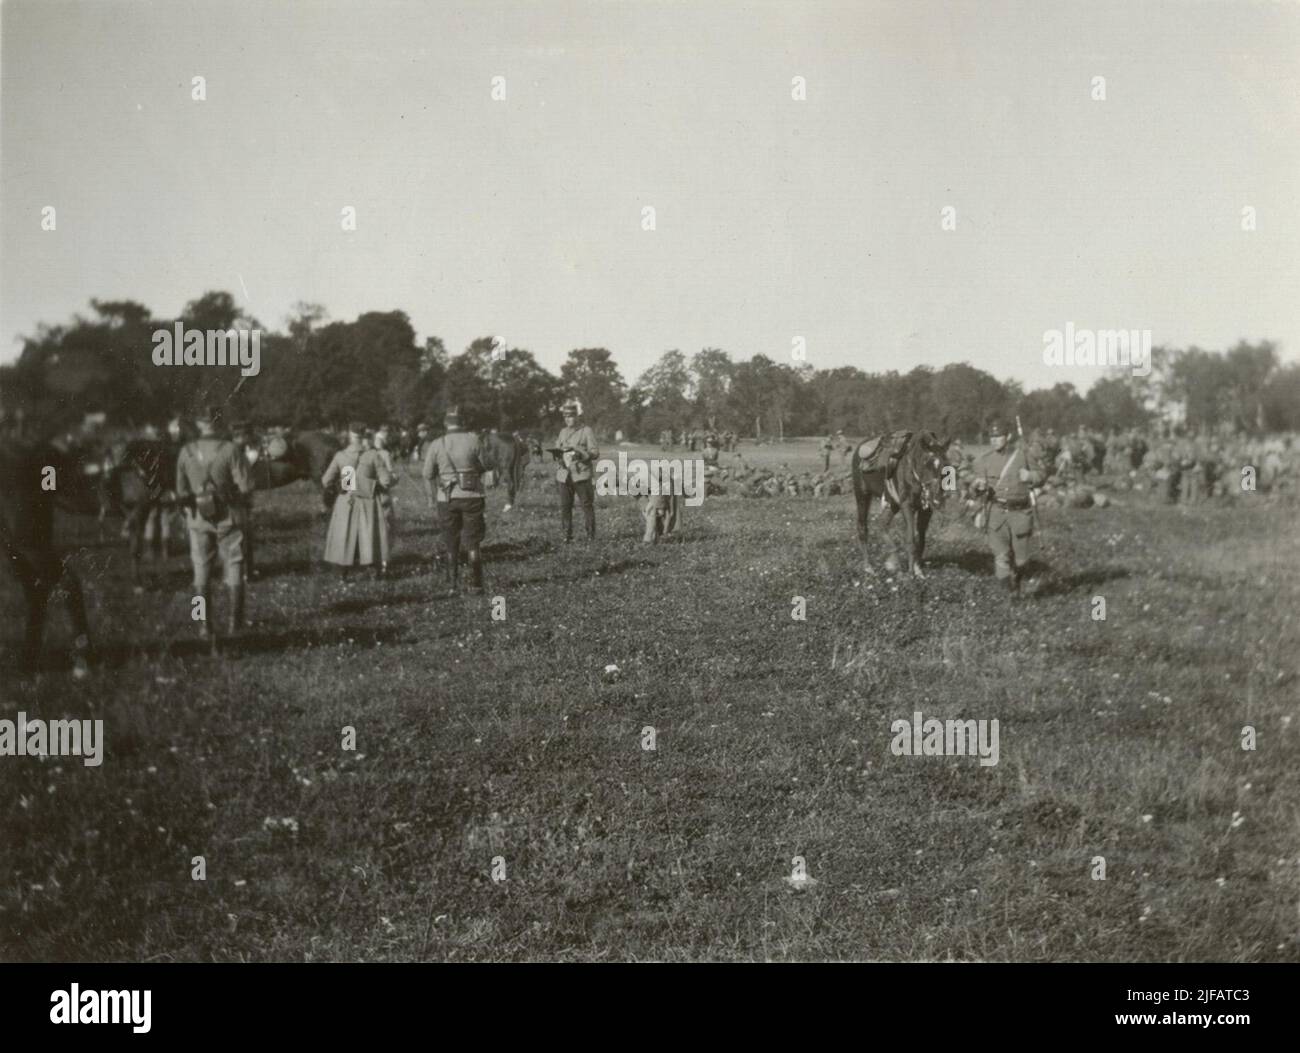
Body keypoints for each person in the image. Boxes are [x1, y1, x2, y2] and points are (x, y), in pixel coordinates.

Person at [175, 405, 254, 639]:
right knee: (235, 569)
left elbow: (181, 492)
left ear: (199, 424)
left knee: (200, 572)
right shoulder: (230, 450)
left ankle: (202, 625)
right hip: (228, 517)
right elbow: (247, 487)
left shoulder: (185, 451)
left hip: (198, 519)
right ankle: (234, 625)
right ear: (218, 422)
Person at [970, 420, 1045, 596]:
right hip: (996, 514)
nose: (994, 440)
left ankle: (1016, 582)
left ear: (1008, 437)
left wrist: (1030, 475)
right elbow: (973, 490)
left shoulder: (1023, 455)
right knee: (1001, 557)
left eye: (999, 436)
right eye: (992, 437)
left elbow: (1042, 474)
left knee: (1022, 561)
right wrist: (977, 486)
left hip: (1020, 514)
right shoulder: (984, 461)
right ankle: (1011, 593)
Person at [422, 406, 487, 591]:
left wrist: (430, 498)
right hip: (472, 496)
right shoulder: (474, 440)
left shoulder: (437, 444)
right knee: (473, 542)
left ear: (445, 424)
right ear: (463, 422)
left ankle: (452, 584)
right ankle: (476, 585)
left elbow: (427, 474)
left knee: (451, 542)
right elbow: (485, 465)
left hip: (446, 498)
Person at [321, 422, 393, 578]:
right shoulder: (373, 455)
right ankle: (373, 571)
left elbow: (326, 480)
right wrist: (372, 484)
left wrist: (342, 484)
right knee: (369, 536)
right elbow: (386, 481)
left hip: (346, 500)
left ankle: (342, 573)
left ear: (350, 435)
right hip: (368, 502)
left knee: (344, 534)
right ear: (363, 435)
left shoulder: (340, 456)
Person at [552, 402, 599, 542]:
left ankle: (590, 535)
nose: (568, 419)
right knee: (565, 506)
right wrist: (557, 454)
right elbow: (557, 447)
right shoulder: (562, 432)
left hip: (581, 474)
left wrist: (580, 454)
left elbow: (595, 453)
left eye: (571, 416)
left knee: (586, 505)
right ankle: (567, 535)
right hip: (564, 475)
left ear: (577, 416)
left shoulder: (586, 431)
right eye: (565, 416)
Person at [373, 424, 398, 575]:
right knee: (386, 528)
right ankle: (383, 563)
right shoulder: (384, 454)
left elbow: (346, 483)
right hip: (381, 496)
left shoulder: (345, 455)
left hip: (354, 499)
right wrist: (396, 478)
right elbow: (388, 479)